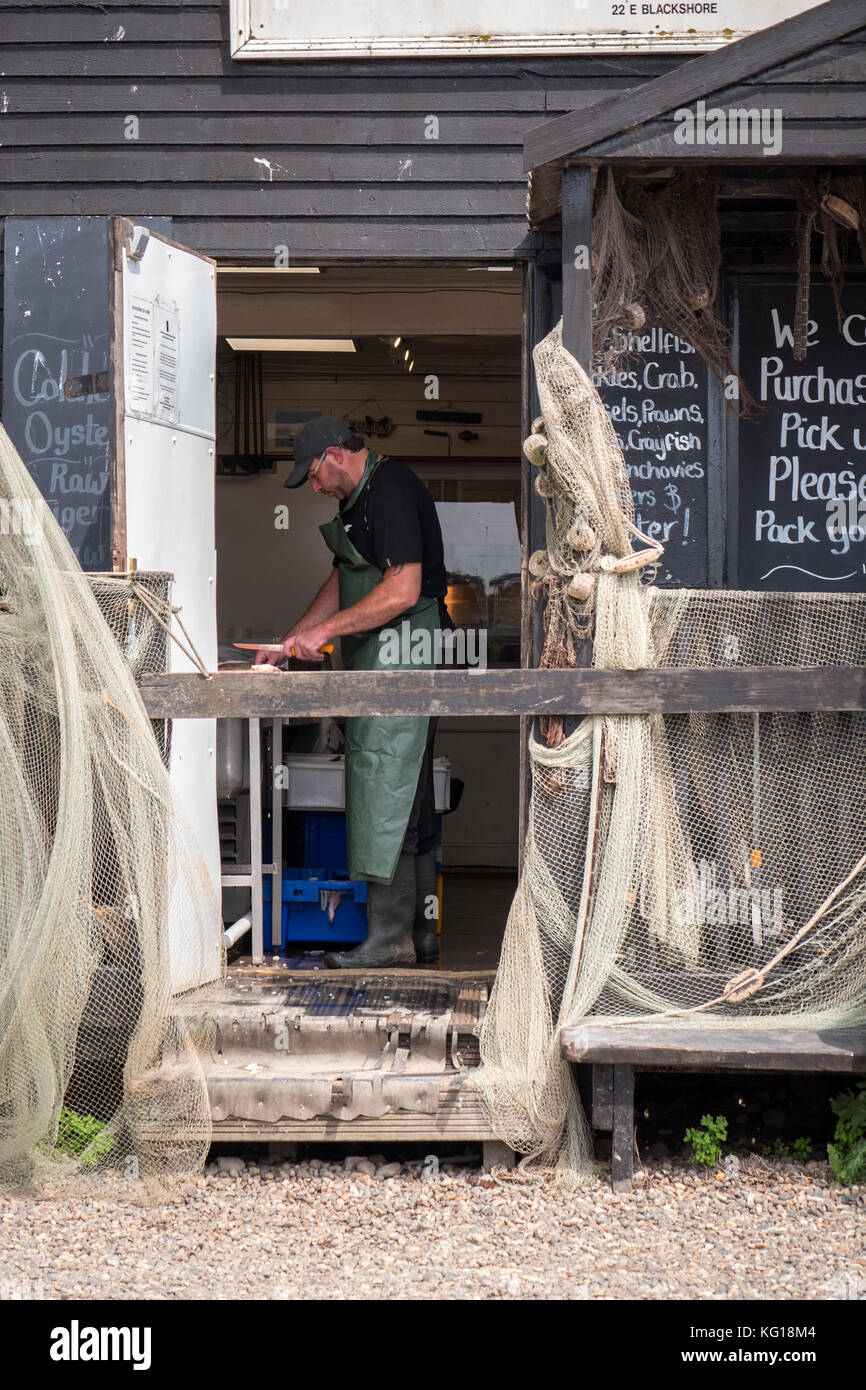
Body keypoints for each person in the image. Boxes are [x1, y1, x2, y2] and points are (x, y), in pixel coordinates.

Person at [255, 417, 450, 968]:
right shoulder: (356, 502)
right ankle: (418, 935)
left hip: (408, 653)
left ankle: (390, 939)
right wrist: (292, 640)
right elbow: (342, 579)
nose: (314, 488)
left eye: (314, 475)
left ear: (337, 455)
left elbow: (402, 589)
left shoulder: (389, 491)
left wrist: (328, 633)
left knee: (391, 792)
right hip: (381, 658)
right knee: (405, 798)